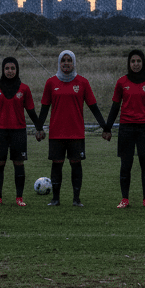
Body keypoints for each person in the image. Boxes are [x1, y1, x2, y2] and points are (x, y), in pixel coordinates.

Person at [37, 50, 107, 207]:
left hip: (76, 133)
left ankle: (76, 199)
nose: (66, 63)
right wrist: (39, 128)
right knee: (57, 164)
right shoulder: (51, 83)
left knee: (76, 164)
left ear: (74, 63)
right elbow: (44, 108)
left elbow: (93, 107)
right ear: (59, 63)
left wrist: (105, 127)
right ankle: (55, 199)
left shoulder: (82, 82)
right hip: (56, 133)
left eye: (69, 60)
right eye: (63, 60)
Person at [103, 49, 145, 208]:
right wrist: (107, 128)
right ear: (129, 63)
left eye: (139, 61)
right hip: (126, 128)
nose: (136, 64)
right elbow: (115, 107)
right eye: (133, 61)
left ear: (143, 63)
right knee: (126, 164)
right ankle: (125, 199)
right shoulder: (121, 82)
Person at [0, 56, 40, 206]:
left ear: (17, 70)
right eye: (7, 68)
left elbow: (31, 111)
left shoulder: (24, 88)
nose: (10, 71)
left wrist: (39, 128)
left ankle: (19, 198)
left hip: (18, 132)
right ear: (3, 70)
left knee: (18, 163)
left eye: (12, 68)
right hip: (0, 131)